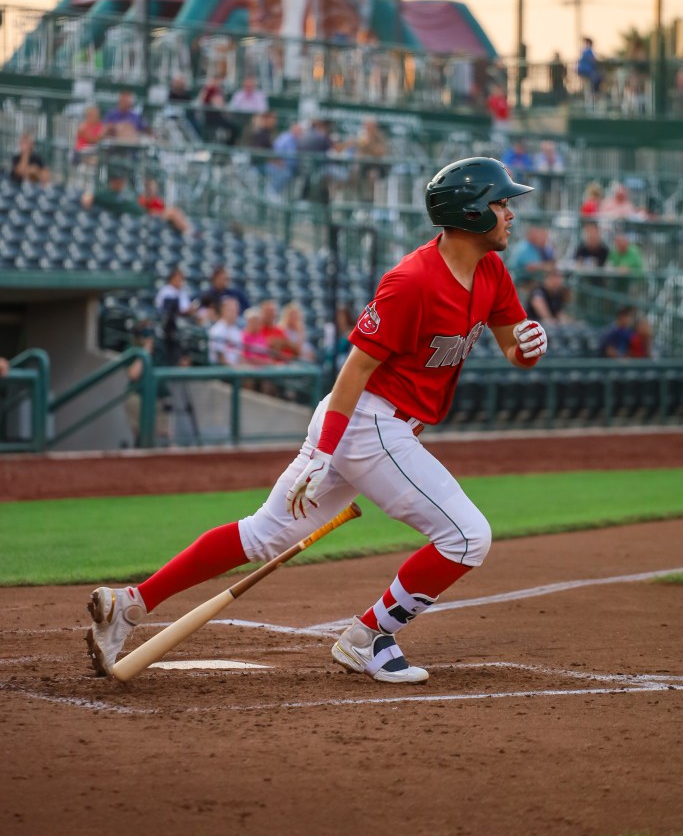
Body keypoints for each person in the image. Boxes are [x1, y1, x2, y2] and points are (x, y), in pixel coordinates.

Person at [85, 156, 549, 683]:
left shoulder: (491, 270)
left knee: (263, 534)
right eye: (502, 202)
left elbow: (515, 345)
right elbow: (355, 369)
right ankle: (369, 637)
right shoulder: (412, 281)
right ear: (470, 212)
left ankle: (129, 604)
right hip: (366, 423)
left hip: (373, 428)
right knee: (467, 537)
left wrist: (531, 346)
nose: (511, 212)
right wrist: (327, 451)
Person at [155, 268, 199, 365]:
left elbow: (186, 308)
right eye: (178, 279)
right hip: (169, 325)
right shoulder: (166, 291)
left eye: (181, 279)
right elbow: (170, 311)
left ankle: (186, 360)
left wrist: (191, 310)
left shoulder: (182, 292)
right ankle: (180, 361)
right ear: (172, 279)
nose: (180, 282)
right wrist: (187, 311)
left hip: (184, 322)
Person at [508, 225, 556, 290]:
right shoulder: (524, 247)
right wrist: (546, 266)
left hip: (532, 279)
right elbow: (530, 267)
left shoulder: (537, 248)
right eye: (540, 236)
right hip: (521, 280)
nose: (543, 239)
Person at [195, 77, 240, 144]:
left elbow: (221, 105)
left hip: (218, 117)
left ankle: (228, 146)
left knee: (234, 127)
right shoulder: (208, 90)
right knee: (233, 127)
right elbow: (214, 103)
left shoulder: (218, 91)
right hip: (211, 118)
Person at [207, 297, 243, 366]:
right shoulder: (217, 330)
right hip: (220, 370)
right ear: (223, 310)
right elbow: (221, 359)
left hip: (236, 370)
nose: (234, 313)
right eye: (231, 310)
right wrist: (237, 369)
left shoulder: (236, 330)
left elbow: (240, 355)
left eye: (236, 311)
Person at [577, 37, 602, 102]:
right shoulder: (587, 51)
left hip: (587, 72)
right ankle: (594, 96)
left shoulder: (584, 51)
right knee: (597, 79)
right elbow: (592, 60)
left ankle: (593, 96)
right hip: (586, 72)